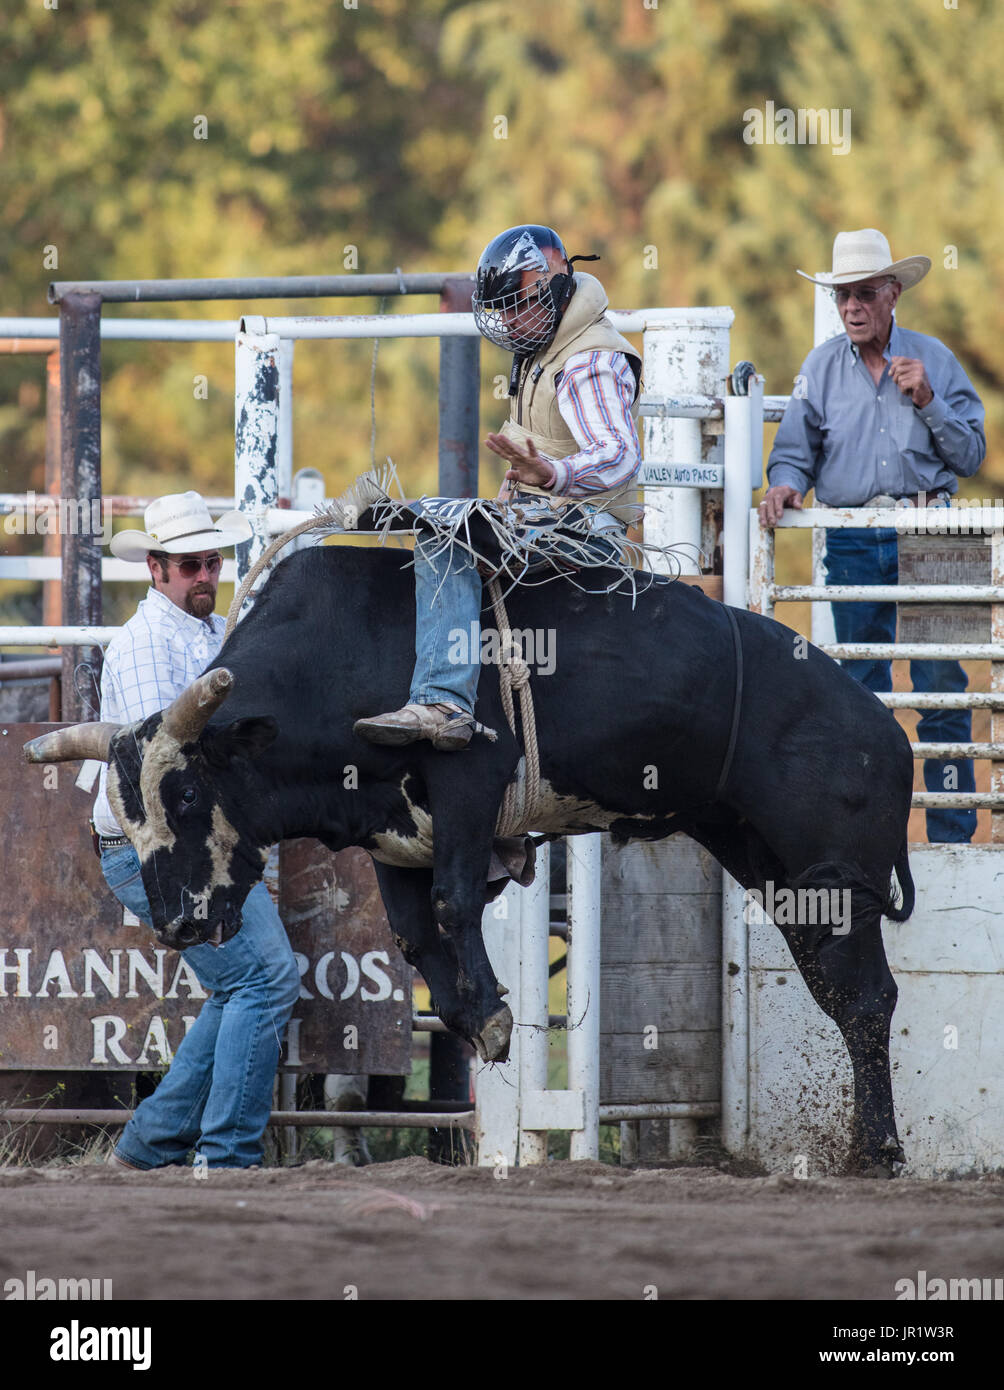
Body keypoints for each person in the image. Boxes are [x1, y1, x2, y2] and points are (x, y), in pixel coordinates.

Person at [355, 223, 643, 751]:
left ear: (553, 288)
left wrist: (555, 476)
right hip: (550, 519)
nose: (508, 319)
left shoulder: (588, 360)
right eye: (502, 307)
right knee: (441, 518)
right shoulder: (549, 345)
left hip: (590, 531)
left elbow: (620, 453)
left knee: (447, 535)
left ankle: (444, 703)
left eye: (517, 303)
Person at [94, 492, 300, 1169]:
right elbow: (165, 775)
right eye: (190, 566)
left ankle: (150, 1144)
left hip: (198, 844)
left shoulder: (207, 635)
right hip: (163, 847)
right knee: (264, 979)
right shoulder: (147, 644)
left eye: (213, 562)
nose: (206, 575)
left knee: (244, 984)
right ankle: (227, 1153)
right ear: (156, 570)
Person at [760, 228, 986, 844]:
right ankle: (865, 838)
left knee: (942, 689)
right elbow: (793, 451)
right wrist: (784, 485)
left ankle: (952, 838)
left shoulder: (934, 360)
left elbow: (970, 456)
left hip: (934, 531)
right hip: (856, 539)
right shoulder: (820, 368)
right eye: (842, 297)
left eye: (863, 294)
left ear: (892, 294)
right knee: (861, 697)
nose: (852, 307)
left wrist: (930, 402)